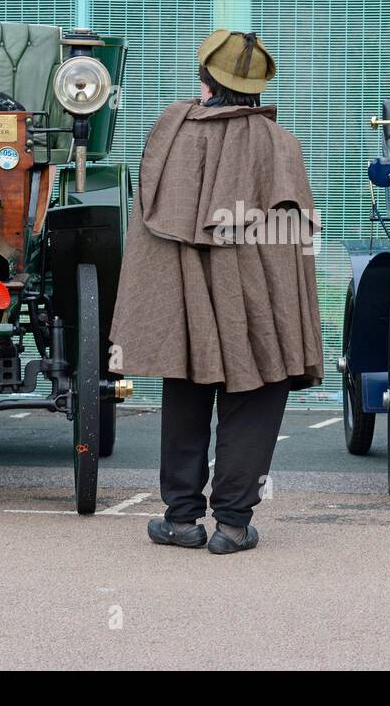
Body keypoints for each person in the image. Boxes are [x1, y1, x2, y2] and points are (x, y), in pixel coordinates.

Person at [110, 30, 323, 554]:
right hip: (257, 293)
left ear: (205, 81)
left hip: (185, 289)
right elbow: (297, 239)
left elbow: (151, 213)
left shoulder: (172, 129)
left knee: (185, 381)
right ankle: (231, 525)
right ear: (258, 88)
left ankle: (181, 520)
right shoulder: (282, 144)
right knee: (257, 385)